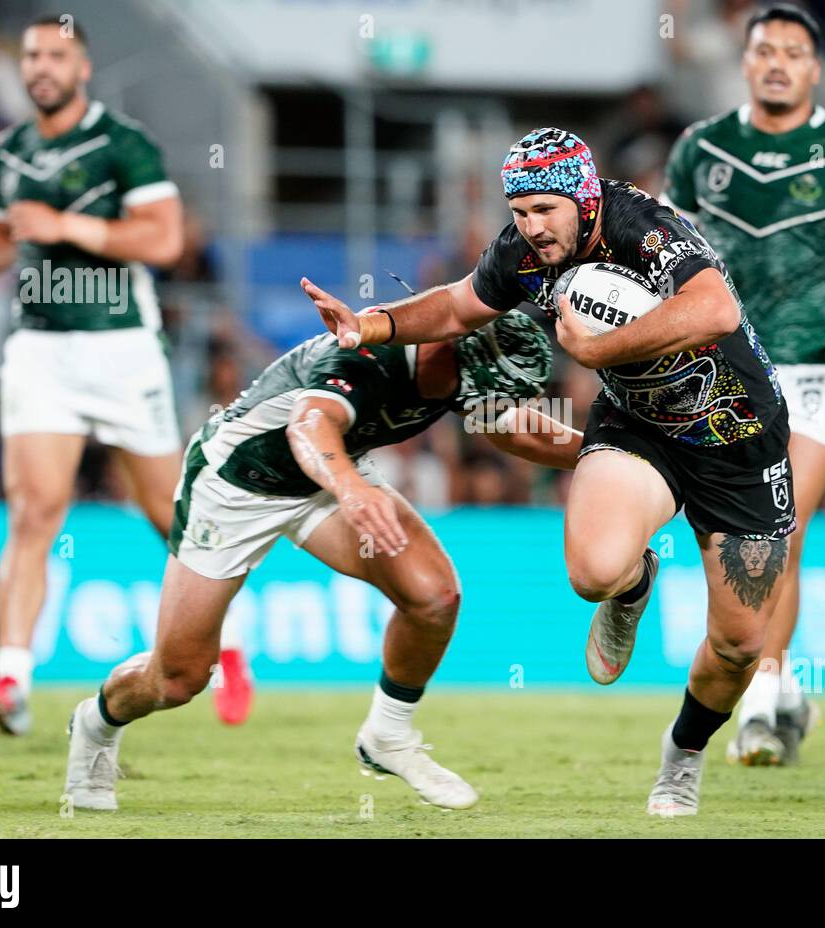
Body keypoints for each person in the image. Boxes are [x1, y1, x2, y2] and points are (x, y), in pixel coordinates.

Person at [304, 126, 796, 817]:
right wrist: (372, 325)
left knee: (740, 645)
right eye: (520, 211)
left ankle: (683, 753)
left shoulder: (645, 229)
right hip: (639, 428)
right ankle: (635, 582)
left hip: (739, 439)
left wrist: (601, 349)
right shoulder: (523, 253)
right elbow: (454, 306)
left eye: (545, 210)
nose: (531, 227)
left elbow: (715, 310)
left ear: (585, 199)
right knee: (593, 571)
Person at [63, 312, 579, 811]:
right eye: (484, 392)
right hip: (238, 483)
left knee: (434, 597)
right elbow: (308, 427)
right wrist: (352, 489)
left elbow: (510, 428)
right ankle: (96, 722)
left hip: (325, 480)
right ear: (451, 350)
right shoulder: (371, 355)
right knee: (178, 679)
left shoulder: (457, 362)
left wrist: (605, 453)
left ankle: (388, 735)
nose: (485, 405)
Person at [0, 15, 234, 734]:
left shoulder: (123, 145)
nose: (40, 66)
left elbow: (166, 239)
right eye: (31, 56)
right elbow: (0, 229)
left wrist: (71, 227)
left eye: (55, 56)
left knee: (172, 518)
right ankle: (11, 680)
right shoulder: (6, 152)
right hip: (41, 350)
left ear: (81, 69)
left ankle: (223, 648)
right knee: (34, 513)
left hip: (120, 347)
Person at [661, 4, 825, 766]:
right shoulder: (699, 150)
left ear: (815, 69)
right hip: (716, 374)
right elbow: (661, 259)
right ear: (745, 62)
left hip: (810, 371)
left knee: (777, 535)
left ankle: (766, 704)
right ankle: (783, 686)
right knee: (733, 542)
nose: (778, 62)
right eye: (765, 49)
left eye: (794, 52)